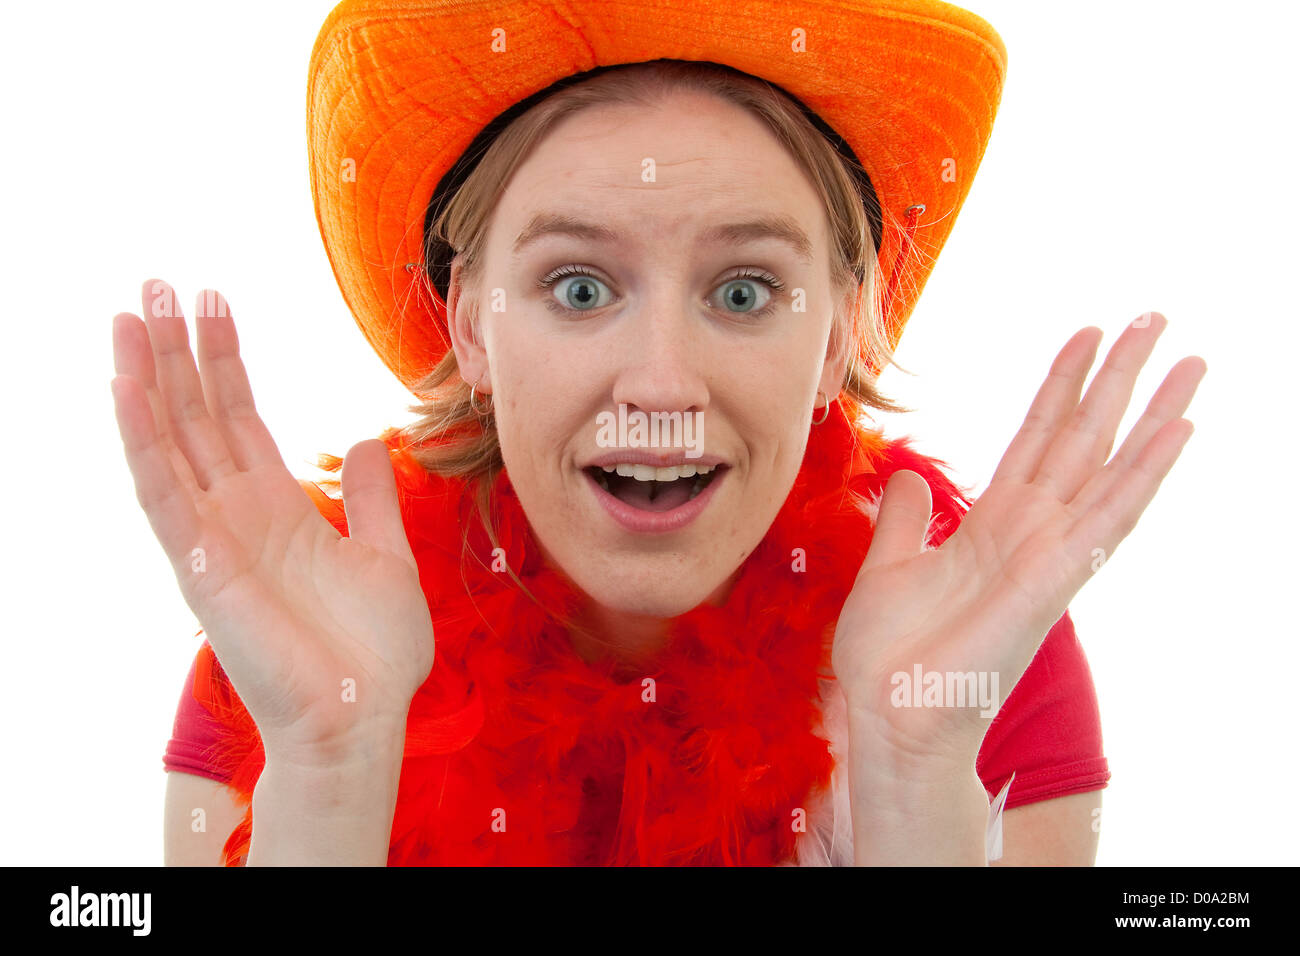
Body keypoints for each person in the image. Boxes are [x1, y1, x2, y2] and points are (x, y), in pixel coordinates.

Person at [113, 0, 1206, 865]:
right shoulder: (300, 641)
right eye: (579, 287)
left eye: (742, 291)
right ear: (471, 328)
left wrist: (913, 788)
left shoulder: (971, 651)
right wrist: (327, 771)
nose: (661, 381)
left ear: (838, 335)